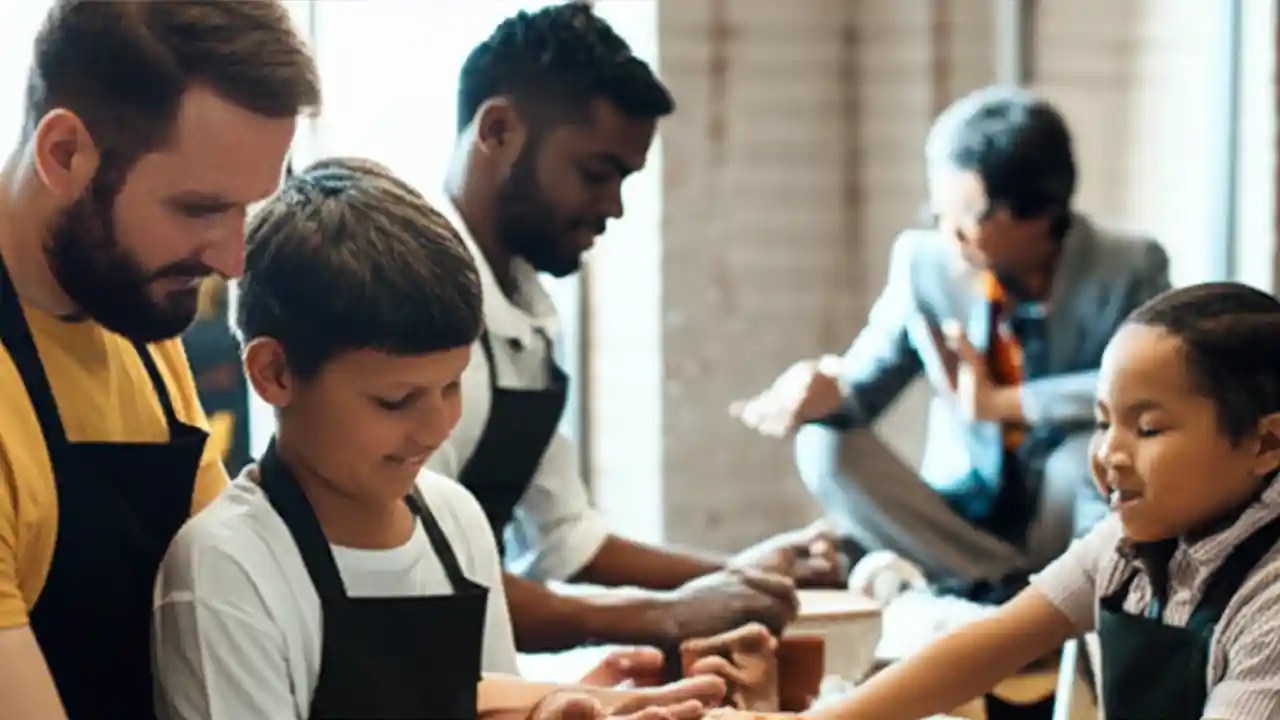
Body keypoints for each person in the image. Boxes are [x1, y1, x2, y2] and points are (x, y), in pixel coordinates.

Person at [153, 158, 727, 720]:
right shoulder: (227, 568)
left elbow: (492, 704)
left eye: (452, 387)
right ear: (275, 373)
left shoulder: (454, 522)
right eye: (396, 401)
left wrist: (589, 704)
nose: (436, 428)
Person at [430, 1, 842, 655]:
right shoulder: (407, 304)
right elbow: (424, 574)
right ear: (499, 130)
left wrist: (739, 576)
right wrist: (659, 617)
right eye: (596, 174)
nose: (614, 207)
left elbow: (566, 540)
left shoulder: (529, 317)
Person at [0, 2, 318, 718]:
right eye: (200, 209)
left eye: (246, 210)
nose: (232, 260)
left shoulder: (134, 316)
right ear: (64, 155)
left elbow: (245, 625)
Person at [733, 86, 1171, 600]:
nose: (950, 234)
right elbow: (864, 386)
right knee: (824, 443)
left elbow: (1152, 389)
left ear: (1037, 214)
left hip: (1068, 508)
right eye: (938, 213)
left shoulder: (1129, 266)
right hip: (960, 510)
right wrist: (824, 390)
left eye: (969, 217)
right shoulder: (926, 265)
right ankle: (1008, 587)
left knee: (1085, 454)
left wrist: (1005, 404)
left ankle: (1014, 589)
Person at [802, 282, 1280, 720]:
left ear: (1265, 444)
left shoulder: (1270, 606)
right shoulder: (1124, 543)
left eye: (1148, 428)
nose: (1109, 453)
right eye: (1101, 422)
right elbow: (984, 650)